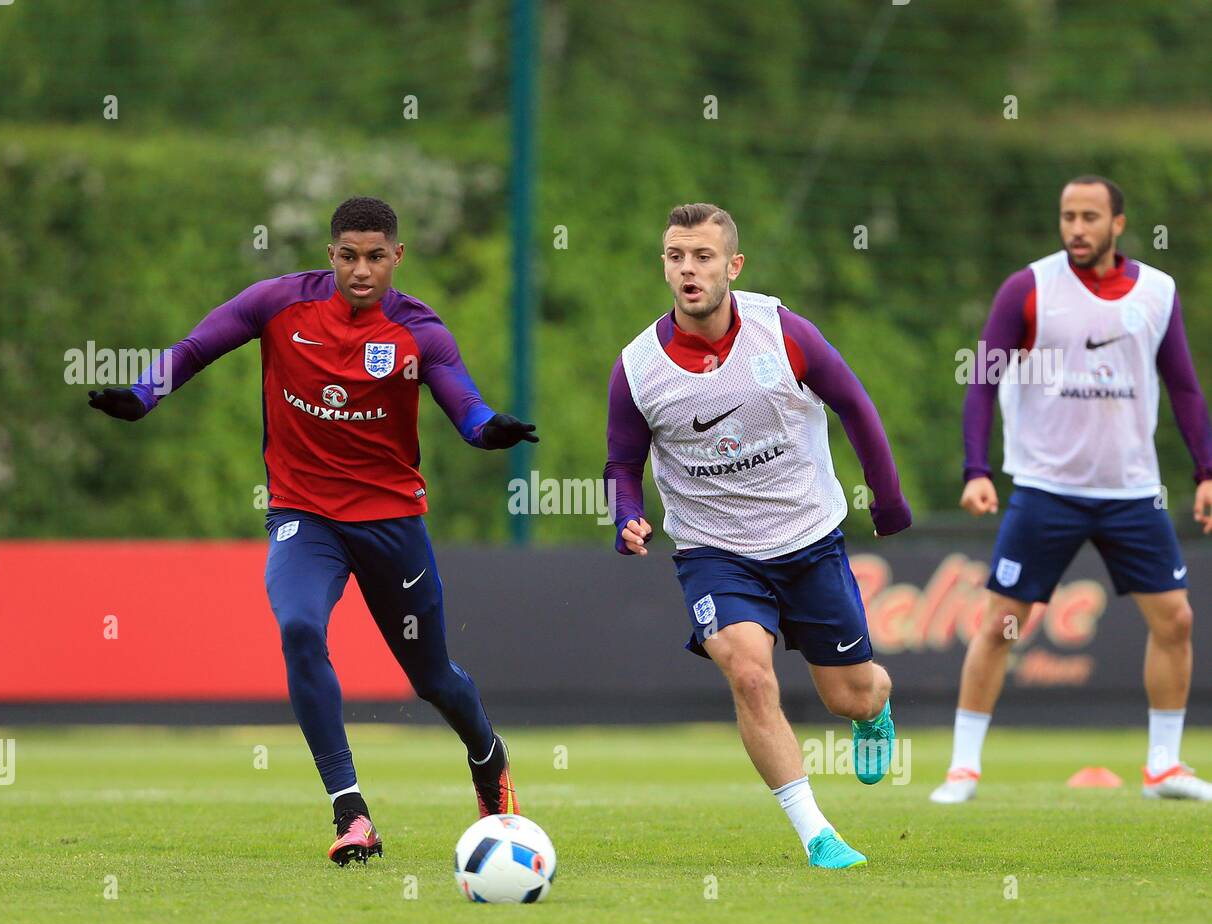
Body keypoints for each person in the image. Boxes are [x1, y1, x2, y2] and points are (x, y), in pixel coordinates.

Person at [89, 196, 539, 862]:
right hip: (305, 517)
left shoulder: (419, 331)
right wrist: (142, 394)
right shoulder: (278, 305)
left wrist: (486, 429)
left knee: (433, 678)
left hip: (392, 523)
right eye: (350, 256)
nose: (362, 270)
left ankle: (487, 755)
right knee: (300, 627)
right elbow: (194, 348)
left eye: (376, 257)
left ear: (397, 258)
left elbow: (462, 401)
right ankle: (351, 814)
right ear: (331, 255)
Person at [604, 203, 912, 868]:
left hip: (808, 541)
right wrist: (625, 513)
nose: (689, 268)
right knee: (749, 674)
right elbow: (622, 466)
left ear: (733, 266)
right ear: (665, 265)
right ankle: (817, 835)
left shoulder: (783, 332)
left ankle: (872, 711)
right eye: (677, 256)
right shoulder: (636, 368)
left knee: (849, 693)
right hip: (715, 555)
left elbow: (855, 406)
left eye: (704, 256)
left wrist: (886, 500)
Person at [932, 175, 1212, 804]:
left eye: (1090, 216)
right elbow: (981, 382)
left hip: (1132, 492)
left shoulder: (1159, 292)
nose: (1076, 228)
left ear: (1118, 223)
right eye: (1067, 216)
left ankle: (1164, 767)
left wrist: (1206, 471)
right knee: (1004, 622)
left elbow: (1186, 388)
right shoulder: (1028, 288)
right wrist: (976, 470)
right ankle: (963, 769)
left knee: (1176, 620)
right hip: (1045, 488)